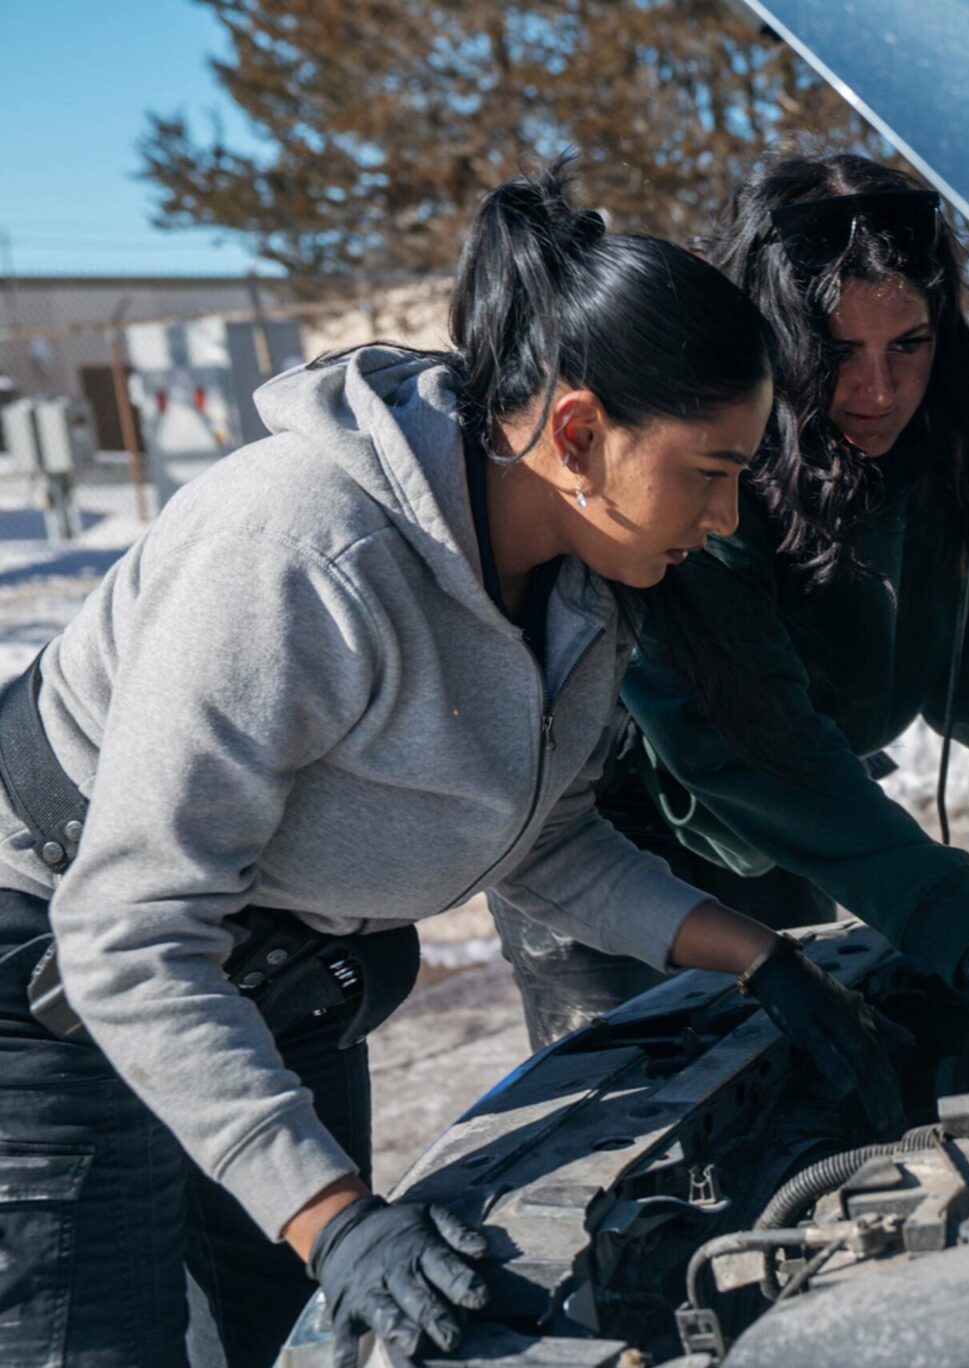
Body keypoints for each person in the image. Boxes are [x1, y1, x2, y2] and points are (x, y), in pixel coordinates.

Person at [0, 160, 904, 1368]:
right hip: (60, 971)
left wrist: (759, 962)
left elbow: (542, 842)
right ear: (578, 431)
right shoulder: (299, 558)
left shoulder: (580, 582)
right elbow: (127, 933)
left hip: (279, 968)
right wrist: (336, 1223)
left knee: (315, 1339)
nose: (728, 519)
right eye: (712, 472)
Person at [492, 153, 969, 1050]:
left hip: (805, 828)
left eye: (908, 344)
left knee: (820, 1076)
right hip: (612, 850)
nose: (878, 391)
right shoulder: (699, 481)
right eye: (836, 352)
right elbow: (751, 744)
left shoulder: (947, 448)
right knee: (650, 1118)